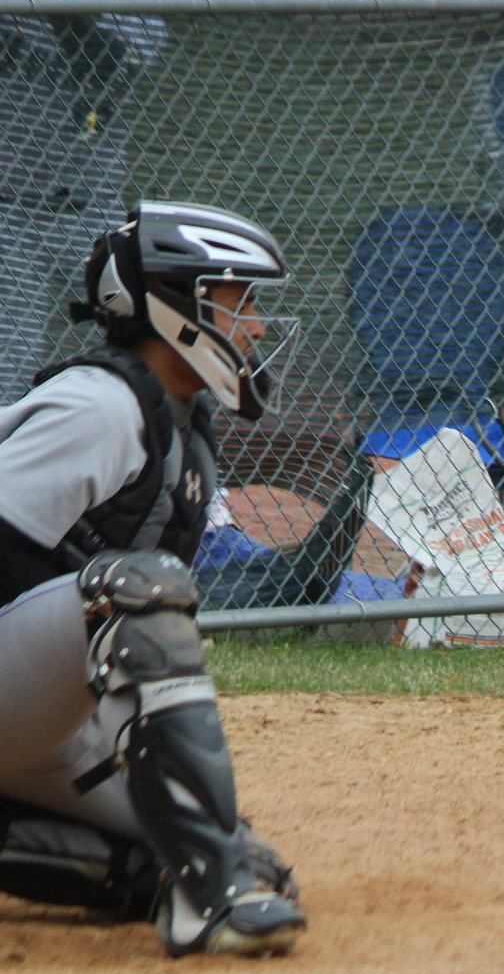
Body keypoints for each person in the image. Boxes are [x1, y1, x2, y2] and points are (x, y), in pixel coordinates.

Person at [0, 202, 306, 957]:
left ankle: (200, 884)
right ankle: (215, 906)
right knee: (138, 587)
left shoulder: (180, 424)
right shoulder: (100, 405)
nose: (258, 326)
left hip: (40, 713)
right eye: (241, 301)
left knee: (226, 855)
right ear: (179, 306)